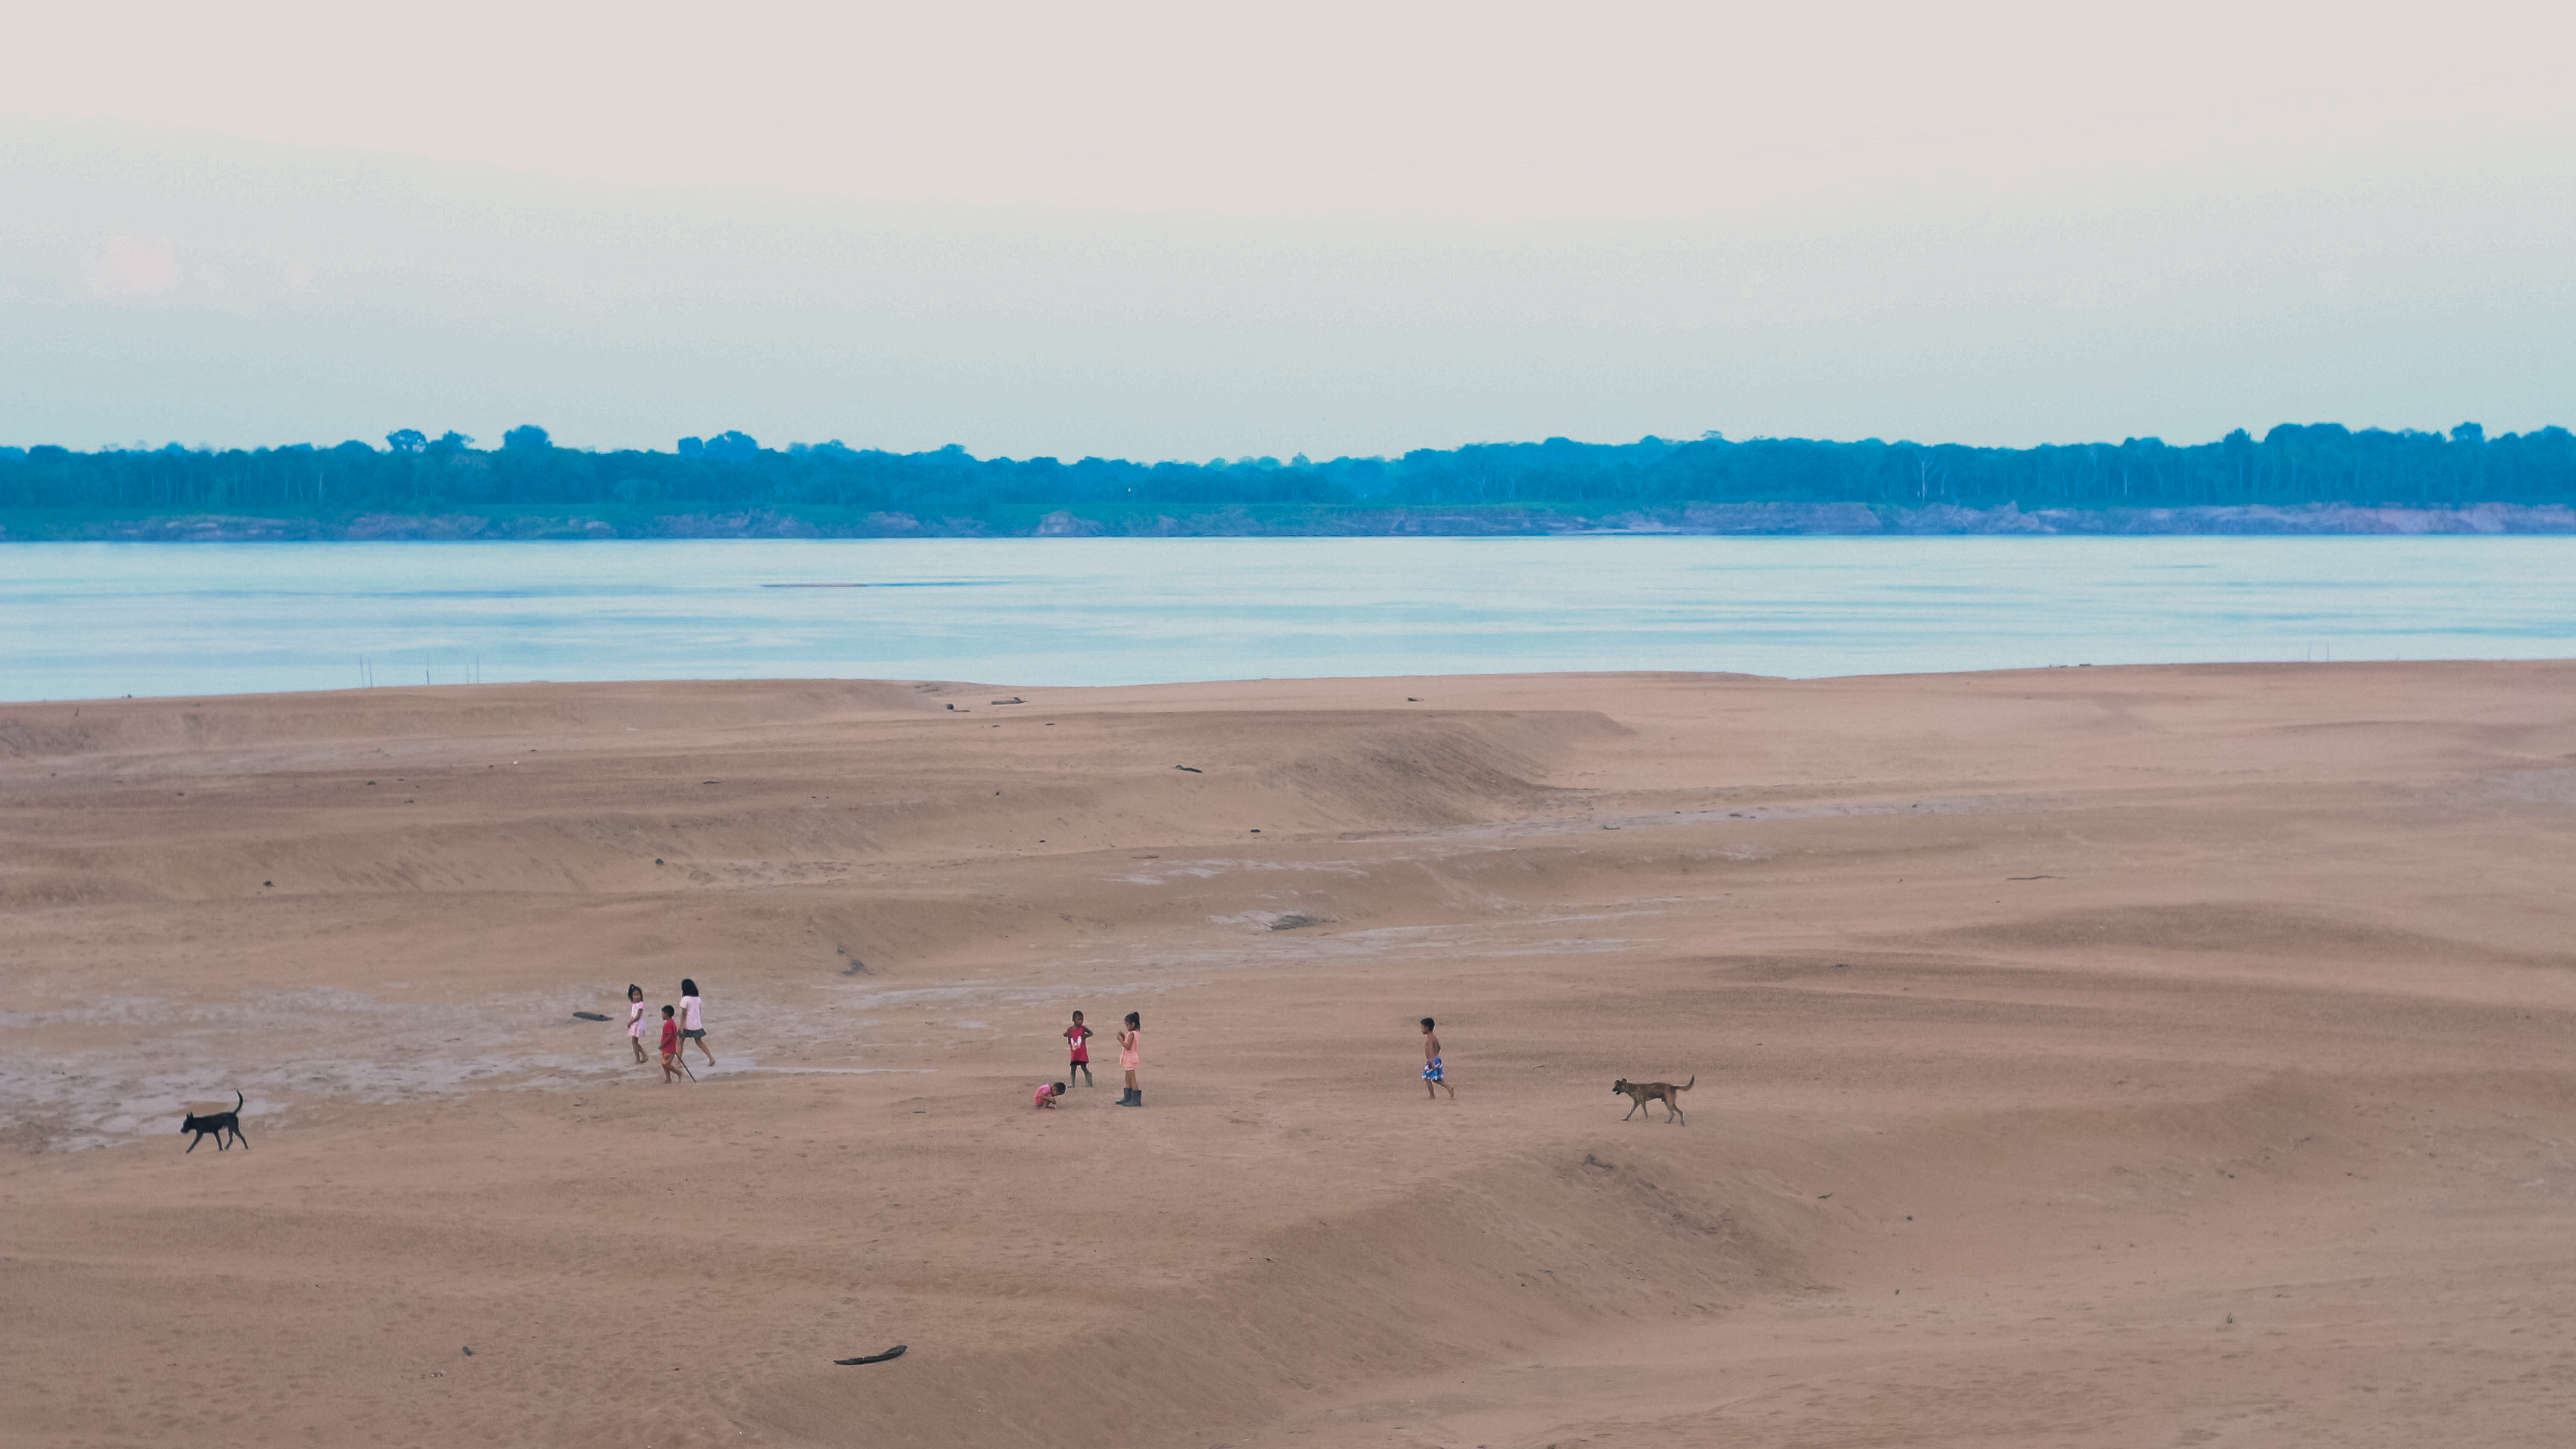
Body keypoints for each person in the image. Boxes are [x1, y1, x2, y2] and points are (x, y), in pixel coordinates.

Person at [678, 978, 713, 1066]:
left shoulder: (685, 999)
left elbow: (683, 1014)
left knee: (680, 1042)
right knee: (699, 1042)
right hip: (697, 1025)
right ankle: (711, 1058)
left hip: (687, 1025)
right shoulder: (698, 999)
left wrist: (681, 1026)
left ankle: (679, 1062)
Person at [1113, 1011, 1143, 1107]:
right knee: (1127, 1077)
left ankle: (1136, 1099)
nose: (1126, 1026)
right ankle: (1128, 1097)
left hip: (1130, 1059)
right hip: (1130, 1058)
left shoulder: (1131, 1034)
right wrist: (1124, 1037)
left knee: (1132, 1078)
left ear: (1133, 1024)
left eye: (1127, 1024)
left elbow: (1128, 1046)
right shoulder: (1136, 1033)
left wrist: (1120, 1040)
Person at [1421, 1017, 1454, 1100]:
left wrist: (1432, 1062)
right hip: (1437, 1059)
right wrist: (1436, 1056)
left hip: (1432, 1061)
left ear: (1427, 1028)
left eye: (1422, 1027)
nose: (1421, 1029)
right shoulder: (1434, 1037)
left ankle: (1432, 1095)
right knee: (1436, 1079)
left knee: (1426, 1077)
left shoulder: (1429, 1039)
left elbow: (1431, 1050)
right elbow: (1439, 1047)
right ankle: (1448, 1087)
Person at [1064, 1011, 1094, 1087]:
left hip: (1082, 1053)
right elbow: (1064, 1034)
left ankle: (1089, 1082)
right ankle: (1072, 1084)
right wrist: (1067, 1034)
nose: (1080, 1022)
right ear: (1073, 1020)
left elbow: (1091, 1033)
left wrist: (1086, 1036)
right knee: (1073, 1068)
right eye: (1079, 1020)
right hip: (1074, 1054)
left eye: (1082, 1020)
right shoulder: (1070, 1029)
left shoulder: (1083, 1029)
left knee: (1083, 1067)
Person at [659, 1005, 684, 1083]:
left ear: (666, 1014)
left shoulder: (668, 1024)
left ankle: (679, 1073)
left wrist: (662, 1044)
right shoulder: (672, 1022)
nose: (662, 1015)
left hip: (668, 1048)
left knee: (665, 1064)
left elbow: (669, 1036)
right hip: (669, 1048)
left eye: (662, 1013)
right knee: (666, 1063)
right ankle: (668, 1079)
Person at [625, 985, 649, 1064]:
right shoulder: (634, 1003)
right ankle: (643, 1055)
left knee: (634, 1042)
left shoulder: (640, 1004)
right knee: (635, 1042)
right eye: (635, 995)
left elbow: (638, 1016)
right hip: (635, 1024)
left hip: (637, 1024)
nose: (637, 996)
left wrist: (630, 1022)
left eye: (638, 994)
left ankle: (639, 1058)